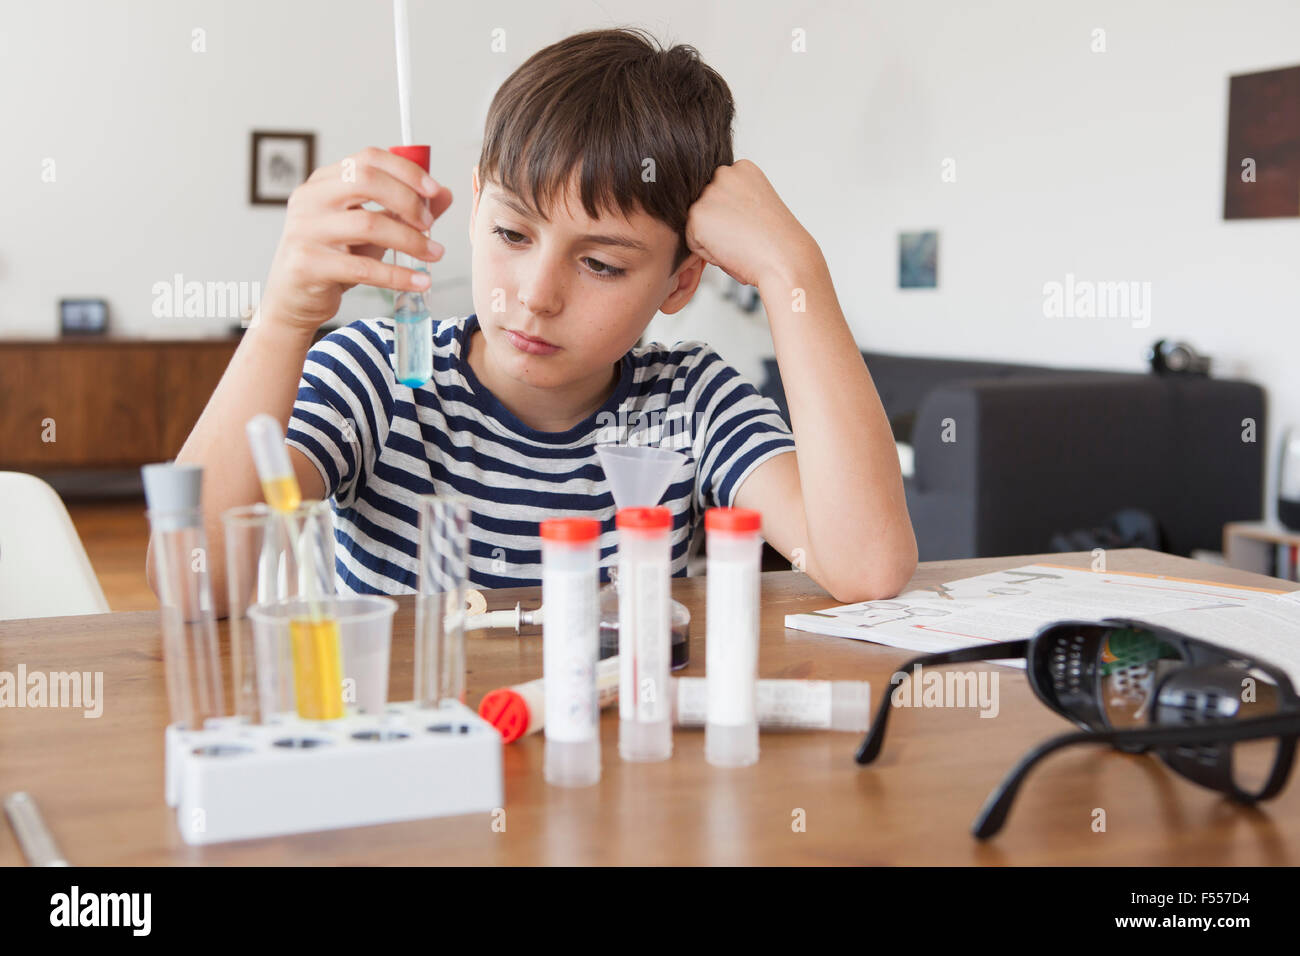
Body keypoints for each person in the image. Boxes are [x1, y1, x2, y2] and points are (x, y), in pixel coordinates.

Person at [153, 27, 916, 616]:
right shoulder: (380, 375)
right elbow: (195, 584)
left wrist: (795, 273)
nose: (536, 294)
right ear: (477, 200)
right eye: (513, 235)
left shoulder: (692, 402)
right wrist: (285, 319)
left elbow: (867, 567)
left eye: (601, 265)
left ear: (681, 280)